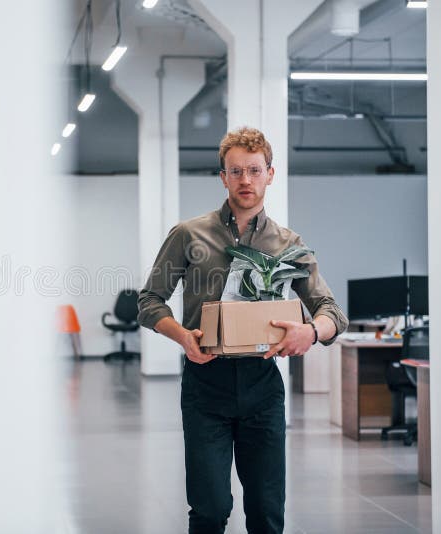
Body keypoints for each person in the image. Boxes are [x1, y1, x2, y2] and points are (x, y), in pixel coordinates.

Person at [137, 126, 348, 534]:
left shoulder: (289, 244)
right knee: (210, 509)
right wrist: (183, 337)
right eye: (236, 172)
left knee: (268, 514)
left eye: (254, 170)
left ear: (271, 173)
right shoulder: (188, 235)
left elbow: (331, 311)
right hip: (205, 384)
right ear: (223, 177)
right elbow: (149, 300)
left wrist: (311, 332)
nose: (245, 180)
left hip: (263, 387)